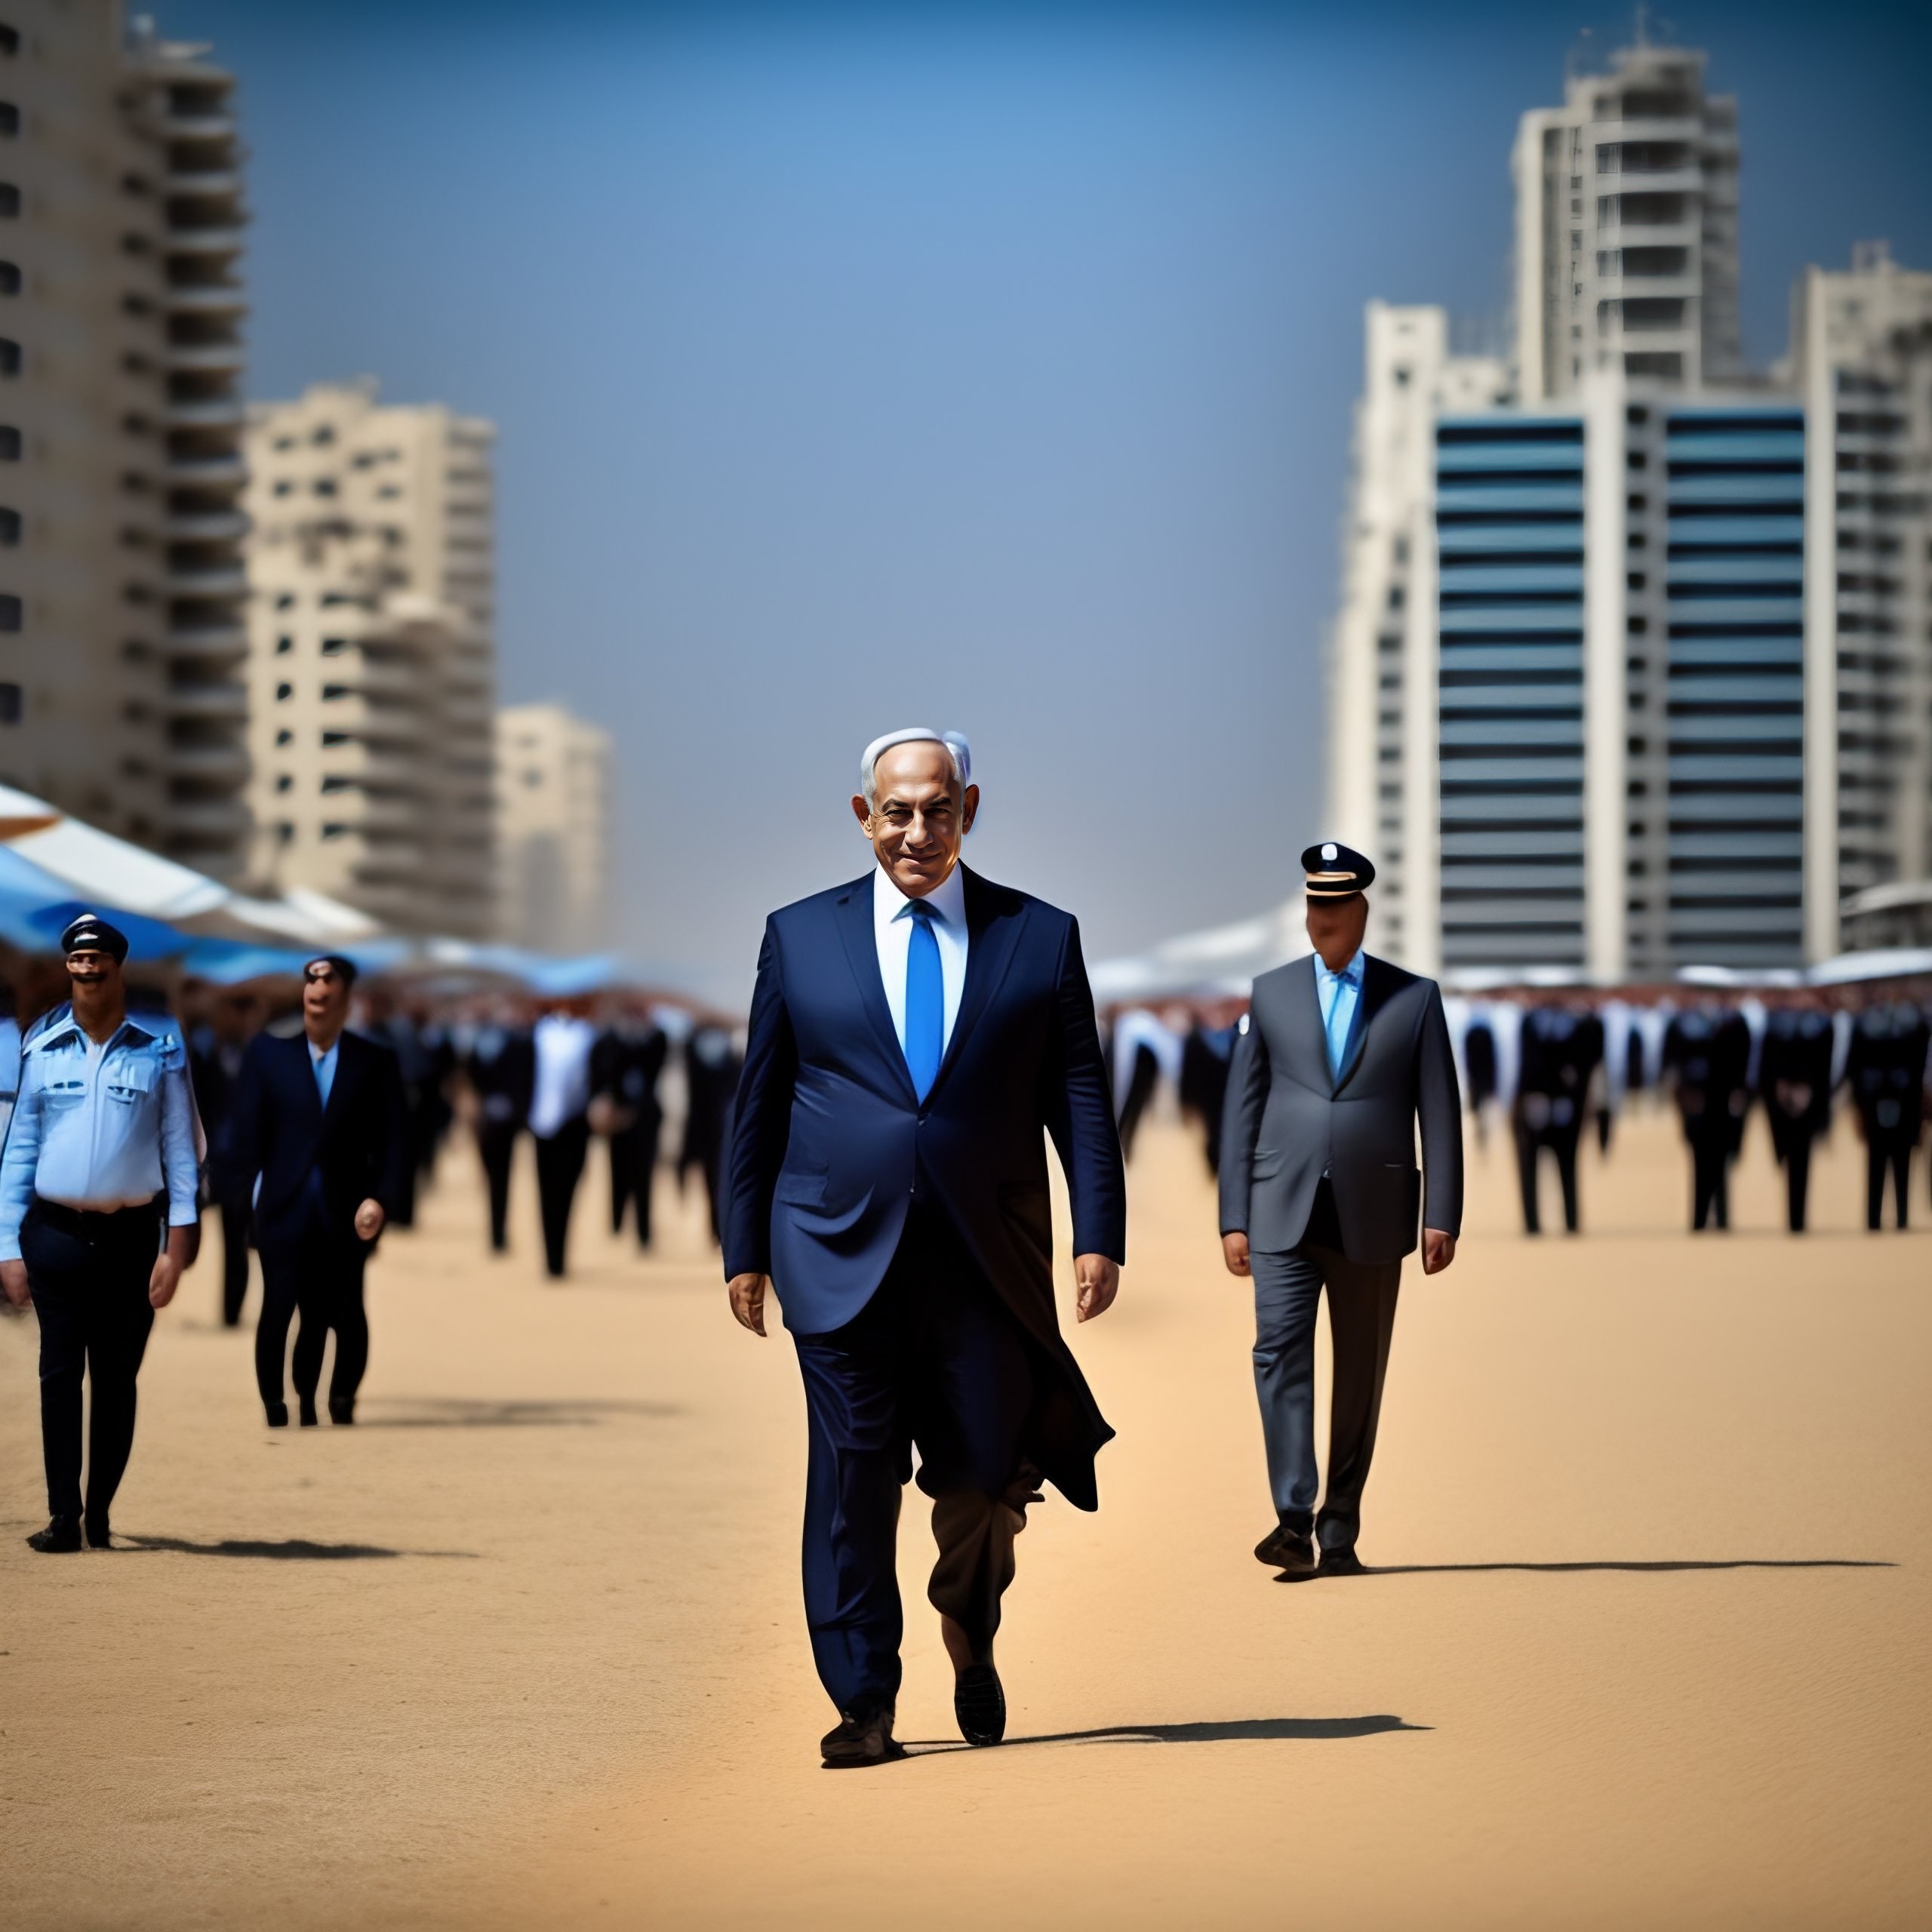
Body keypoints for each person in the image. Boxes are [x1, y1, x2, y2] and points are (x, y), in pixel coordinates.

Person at [723, 728, 1124, 1770]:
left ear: (970, 809)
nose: (916, 829)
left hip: (986, 1264)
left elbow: (1079, 1093)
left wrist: (1100, 1231)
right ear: (865, 815)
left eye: (936, 808)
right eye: (895, 810)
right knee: (852, 1487)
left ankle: (971, 1620)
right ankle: (865, 1701)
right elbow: (759, 1100)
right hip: (834, 1254)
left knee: (986, 1480)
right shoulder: (800, 935)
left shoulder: (1038, 936)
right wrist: (744, 1246)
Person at [1219, 841, 1462, 1577]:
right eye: (1313, 905)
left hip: (1373, 1210)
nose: (1322, 918)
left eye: (1336, 905)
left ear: (1360, 909)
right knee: (1278, 1356)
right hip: (1279, 1210)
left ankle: (1341, 1525)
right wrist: (1233, 1212)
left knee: (1359, 1372)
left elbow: (1440, 1110)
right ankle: (1292, 1516)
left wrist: (1442, 1211)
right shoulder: (1270, 993)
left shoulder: (1413, 998)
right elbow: (1242, 1107)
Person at [0, 915, 200, 1551]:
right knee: (58, 1376)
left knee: (116, 1380)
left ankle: (101, 1511)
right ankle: (63, 1516)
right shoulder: (41, 1046)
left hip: (129, 1239)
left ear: (117, 969)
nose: (86, 973)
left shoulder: (158, 1048)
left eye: (98, 964)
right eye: (77, 964)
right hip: (55, 1234)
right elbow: (20, 1150)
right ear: (69, 970)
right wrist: (7, 1245)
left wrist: (177, 1244)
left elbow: (180, 1153)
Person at [226, 955, 409, 1426]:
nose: (318, 1000)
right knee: (279, 1306)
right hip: (281, 1209)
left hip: (348, 1210)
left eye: (329, 993)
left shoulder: (375, 1061)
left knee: (345, 1310)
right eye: (311, 992)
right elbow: (247, 1137)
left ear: (347, 1002)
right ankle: (276, 1405)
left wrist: (382, 1200)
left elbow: (394, 1142)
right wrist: (241, 1208)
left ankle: (341, 1398)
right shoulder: (268, 1054)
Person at [189, 989, 259, 1325]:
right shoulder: (203, 1053)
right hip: (209, 1161)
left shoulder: (262, 1057)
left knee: (236, 1240)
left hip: (242, 1166)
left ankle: (231, 1312)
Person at [1512, 998, 1602, 1235]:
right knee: (1529, 1166)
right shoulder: (1529, 1023)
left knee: (1568, 1164)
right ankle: (1531, 1223)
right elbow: (1522, 1063)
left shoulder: (1581, 1025)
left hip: (1565, 1103)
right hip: (1536, 1100)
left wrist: (1578, 1102)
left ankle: (1572, 1221)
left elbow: (1585, 1068)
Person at [1663, 1004, 1752, 1232]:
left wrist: (1739, 1095)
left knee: (1722, 1161)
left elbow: (1745, 1063)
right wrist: (1682, 1095)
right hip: (1695, 1102)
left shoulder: (1736, 1023)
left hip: (1723, 1102)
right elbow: (1671, 1064)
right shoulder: (1682, 1023)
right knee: (1699, 1161)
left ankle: (1722, 1217)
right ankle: (1699, 1218)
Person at [1844, 998, 1929, 1232]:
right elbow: (1855, 1066)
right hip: (1873, 1100)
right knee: (1876, 1160)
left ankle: (1902, 1216)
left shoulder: (1917, 1025)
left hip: (1906, 1099)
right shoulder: (1864, 1025)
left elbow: (1920, 1066)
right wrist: (1859, 1106)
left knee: (1903, 1160)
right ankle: (1873, 1218)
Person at [529, 998, 597, 1278]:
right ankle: (551, 1259)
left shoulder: (589, 1035)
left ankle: (561, 1256)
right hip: (542, 1124)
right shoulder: (539, 1033)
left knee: (568, 1189)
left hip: (575, 1124)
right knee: (546, 1193)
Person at [1757, 995, 1835, 1234]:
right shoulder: (1774, 1027)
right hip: (1781, 1101)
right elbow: (1765, 1068)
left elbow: (1825, 1067)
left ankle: (1799, 1219)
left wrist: (1810, 1094)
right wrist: (1779, 1092)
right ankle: (1793, 1218)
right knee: (1788, 1158)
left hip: (1808, 1100)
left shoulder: (1821, 1026)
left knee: (1803, 1159)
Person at [592, 1007, 669, 1247]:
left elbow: (658, 1051)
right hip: (618, 1116)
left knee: (644, 1176)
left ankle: (643, 1232)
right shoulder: (612, 1041)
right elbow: (603, 1070)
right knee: (617, 1172)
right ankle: (616, 1224)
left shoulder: (653, 1039)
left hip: (645, 1117)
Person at [463, 1002, 534, 1254]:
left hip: (506, 1121)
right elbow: (469, 1079)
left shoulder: (515, 1044)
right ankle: (496, 1233)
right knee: (491, 1175)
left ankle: (499, 1234)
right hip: (485, 1120)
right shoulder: (477, 1044)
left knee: (502, 1178)